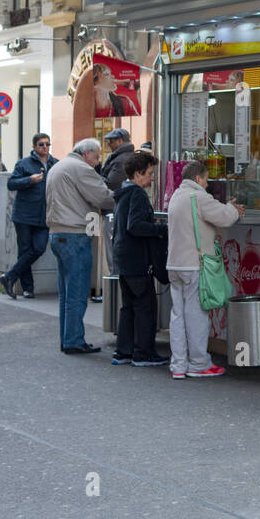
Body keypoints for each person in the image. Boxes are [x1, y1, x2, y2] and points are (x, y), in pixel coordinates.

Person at [166, 159, 243, 380]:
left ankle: (178, 364)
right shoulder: (198, 196)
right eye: (206, 179)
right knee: (197, 315)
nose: (207, 184)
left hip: (175, 264)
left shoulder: (176, 196)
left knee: (178, 315)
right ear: (198, 178)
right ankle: (199, 363)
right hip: (194, 265)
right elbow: (225, 217)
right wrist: (233, 208)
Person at [46, 138, 115, 354]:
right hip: (75, 234)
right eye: (95, 158)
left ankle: (67, 338)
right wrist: (124, 196)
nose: (96, 163)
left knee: (67, 293)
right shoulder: (81, 169)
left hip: (58, 233)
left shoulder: (59, 166)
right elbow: (103, 197)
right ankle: (74, 340)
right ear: (86, 154)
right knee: (77, 291)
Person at [111, 151, 170, 368]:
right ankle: (143, 353)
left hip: (124, 259)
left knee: (128, 308)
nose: (152, 178)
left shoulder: (123, 193)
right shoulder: (137, 194)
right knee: (145, 307)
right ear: (138, 173)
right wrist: (160, 229)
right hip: (136, 260)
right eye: (150, 173)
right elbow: (135, 226)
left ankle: (123, 351)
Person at [0, 133, 57, 300]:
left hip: (45, 215)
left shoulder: (55, 164)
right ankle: (27, 289)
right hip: (24, 215)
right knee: (24, 250)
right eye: (40, 144)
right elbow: (11, 184)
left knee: (38, 248)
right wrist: (29, 180)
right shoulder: (24, 164)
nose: (44, 147)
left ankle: (10, 276)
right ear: (34, 147)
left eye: (47, 144)